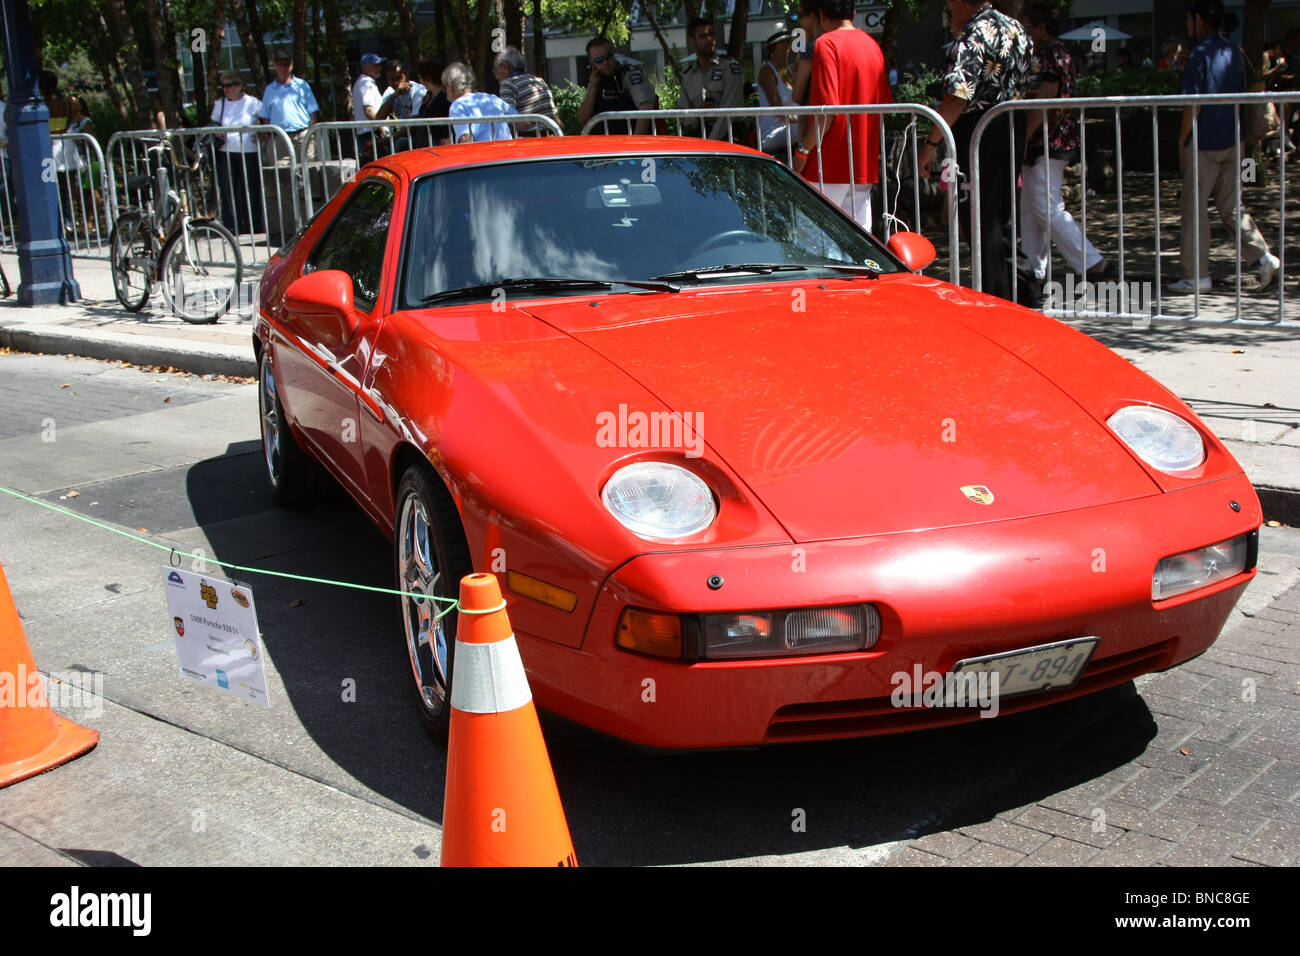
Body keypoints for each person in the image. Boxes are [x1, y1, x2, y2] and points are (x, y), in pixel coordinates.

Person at [918, 0, 1034, 302]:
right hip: (1012, 125)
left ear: (960, 3)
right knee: (1002, 217)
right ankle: (1013, 291)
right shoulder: (1016, 28)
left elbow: (959, 93)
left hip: (979, 129)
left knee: (980, 219)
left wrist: (930, 144)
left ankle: (997, 297)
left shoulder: (974, 33)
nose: (948, 15)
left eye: (948, 9)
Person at [1170, 0, 1279, 293]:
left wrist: (1182, 142)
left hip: (1205, 141)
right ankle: (1263, 257)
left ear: (1197, 20)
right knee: (1231, 206)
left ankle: (1197, 275)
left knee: (1194, 208)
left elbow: (1192, 105)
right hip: (1234, 139)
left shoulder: (1199, 54)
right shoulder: (1233, 49)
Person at [1018, 2, 1108, 283]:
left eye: (1028, 27)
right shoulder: (1057, 52)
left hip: (1047, 138)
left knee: (1045, 204)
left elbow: (1043, 102)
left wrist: (1025, 137)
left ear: (1041, 27)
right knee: (1033, 203)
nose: (1026, 34)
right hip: (1050, 137)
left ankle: (1090, 261)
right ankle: (1033, 264)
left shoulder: (1049, 54)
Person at [790, 0, 892, 231]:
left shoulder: (826, 44)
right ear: (854, 13)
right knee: (859, 241)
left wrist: (802, 151)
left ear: (822, 15)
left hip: (829, 160)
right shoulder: (871, 44)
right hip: (863, 163)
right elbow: (883, 104)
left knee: (816, 241)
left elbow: (828, 111)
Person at [210, 72, 264, 235]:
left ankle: (253, 226)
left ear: (239, 85)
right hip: (225, 152)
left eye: (229, 85)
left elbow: (264, 122)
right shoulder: (220, 104)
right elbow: (213, 125)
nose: (226, 89)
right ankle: (231, 228)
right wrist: (217, 133)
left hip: (249, 151)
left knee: (251, 190)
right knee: (229, 190)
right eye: (223, 86)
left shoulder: (253, 103)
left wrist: (260, 133)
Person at [677, 17, 745, 140]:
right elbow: (683, 116)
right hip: (699, 137)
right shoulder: (688, 76)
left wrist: (710, 142)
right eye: (703, 36)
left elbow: (728, 113)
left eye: (711, 34)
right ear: (693, 41)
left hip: (728, 136)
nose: (709, 40)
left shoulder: (730, 68)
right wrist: (697, 114)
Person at [577, 36, 655, 134]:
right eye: (599, 60)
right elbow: (583, 119)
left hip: (627, 143)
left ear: (614, 54)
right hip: (602, 145)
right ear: (593, 63)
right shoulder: (595, 80)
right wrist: (593, 89)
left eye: (608, 56)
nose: (605, 63)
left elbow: (646, 108)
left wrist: (634, 143)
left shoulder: (629, 74)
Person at [258, 50, 320, 161]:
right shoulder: (269, 89)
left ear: (291, 66)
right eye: (279, 64)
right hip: (279, 138)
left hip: (302, 136)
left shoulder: (302, 85)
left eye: (286, 64)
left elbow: (313, 111)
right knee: (281, 174)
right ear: (275, 66)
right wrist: (270, 135)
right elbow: (265, 115)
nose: (283, 68)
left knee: (308, 171)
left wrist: (309, 133)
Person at [443, 62, 516, 143]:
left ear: (451, 87)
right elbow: (522, 121)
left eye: (445, 87)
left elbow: (466, 140)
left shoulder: (458, 106)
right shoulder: (492, 98)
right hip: (508, 152)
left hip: (484, 154)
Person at [494, 47, 557, 136]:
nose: (496, 77)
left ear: (505, 67)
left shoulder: (508, 84)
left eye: (496, 71)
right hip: (549, 138)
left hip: (527, 141)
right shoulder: (539, 81)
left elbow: (506, 120)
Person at [756, 28, 798, 157]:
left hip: (791, 128)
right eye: (782, 42)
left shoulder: (791, 70)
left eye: (788, 41)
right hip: (772, 132)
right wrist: (800, 120)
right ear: (773, 48)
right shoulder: (766, 71)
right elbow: (777, 109)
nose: (786, 45)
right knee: (808, 128)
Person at [353, 52, 386, 158]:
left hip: (368, 135)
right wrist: (381, 128)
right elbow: (369, 110)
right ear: (365, 67)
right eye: (376, 65)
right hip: (370, 135)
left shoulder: (363, 83)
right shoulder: (366, 84)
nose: (379, 67)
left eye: (379, 65)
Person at [416, 58, 452, 146]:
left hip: (440, 143)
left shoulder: (445, 96)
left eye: (421, 76)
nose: (420, 80)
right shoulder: (428, 95)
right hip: (426, 141)